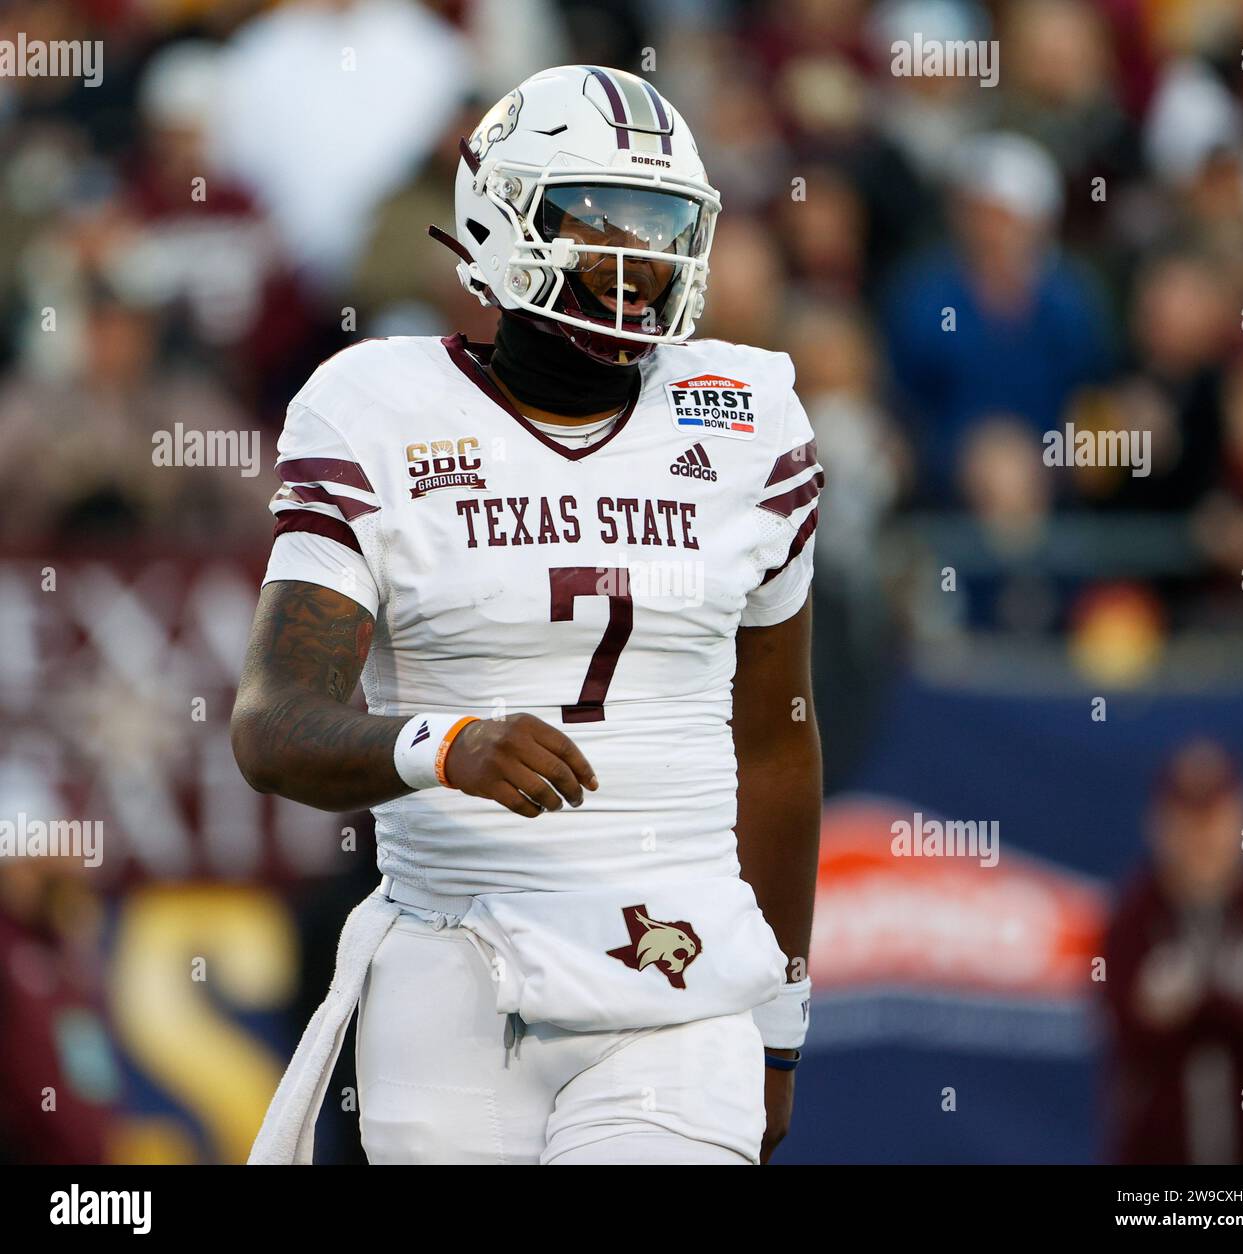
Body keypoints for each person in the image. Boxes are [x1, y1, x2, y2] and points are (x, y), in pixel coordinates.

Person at [231, 65, 823, 1166]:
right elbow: (271, 724)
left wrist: (781, 1022)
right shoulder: (375, 407)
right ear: (500, 217)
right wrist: (445, 747)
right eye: (599, 220)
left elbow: (775, 739)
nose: (634, 260)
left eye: (659, 226)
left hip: (678, 979)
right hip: (447, 967)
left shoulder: (748, 418)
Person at [1101, 740, 1243, 1163]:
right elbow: (1123, 1025)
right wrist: (1232, 1006)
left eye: (1215, 819)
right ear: (1161, 825)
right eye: (1189, 821)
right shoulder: (1134, 918)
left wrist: (1198, 1007)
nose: (1202, 838)